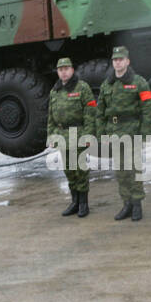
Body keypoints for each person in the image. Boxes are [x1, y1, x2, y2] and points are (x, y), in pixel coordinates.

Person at [96, 45, 151, 222]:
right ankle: (126, 204)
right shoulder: (107, 84)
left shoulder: (139, 82)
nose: (117, 62)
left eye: (121, 59)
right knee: (121, 171)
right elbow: (100, 112)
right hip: (114, 134)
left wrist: (145, 134)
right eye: (115, 60)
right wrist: (102, 135)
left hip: (133, 132)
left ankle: (137, 204)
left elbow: (149, 109)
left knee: (134, 170)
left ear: (127, 61)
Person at [46, 57, 96, 217]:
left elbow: (90, 113)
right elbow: (51, 117)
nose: (64, 72)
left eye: (66, 69)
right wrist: (51, 136)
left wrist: (88, 135)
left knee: (81, 170)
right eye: (61, 69)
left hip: (79, 133)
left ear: (72, 70)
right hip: (62, 136)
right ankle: (74, 202)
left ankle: (83, 203)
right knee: (69, 169)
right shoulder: (55, 91)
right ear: (58, 72)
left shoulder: (82, 88)